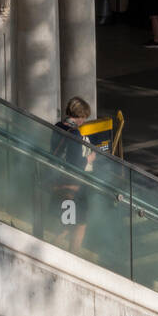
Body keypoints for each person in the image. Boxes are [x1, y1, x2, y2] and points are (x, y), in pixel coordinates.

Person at [50, 96, 96, 251]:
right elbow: (75, 163)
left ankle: (52, 251)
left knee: (65, 224)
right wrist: (89, 159)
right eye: (84, 117)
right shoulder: (74, 134)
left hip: (57, 180)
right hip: (73, 185)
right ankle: (74, 257)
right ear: (80, 115)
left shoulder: (58, 126)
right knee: (79, 224)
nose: (84, 121)